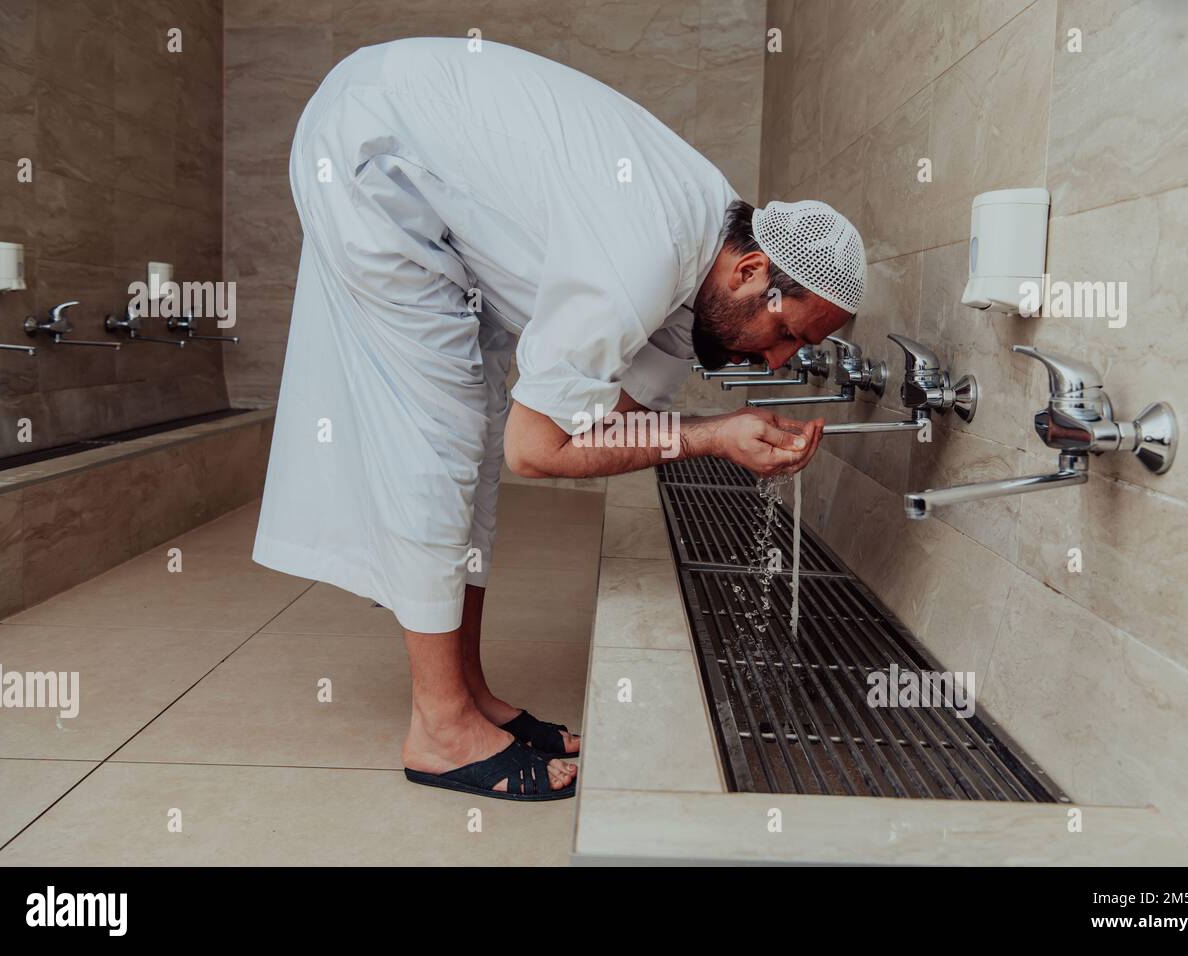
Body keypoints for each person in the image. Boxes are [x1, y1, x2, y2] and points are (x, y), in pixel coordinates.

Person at [252, 37, 866, 802]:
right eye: (788, 336)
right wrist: (713, 438)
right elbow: (538, 451)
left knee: (466, 441)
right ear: (751, 274)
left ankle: (469, 695)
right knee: (437, 438)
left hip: (419, 166)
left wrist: (711, 437)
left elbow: (608, 430)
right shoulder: (642, 258)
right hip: (370, 150)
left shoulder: (702, 275)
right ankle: (440, 730)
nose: (777, 365)